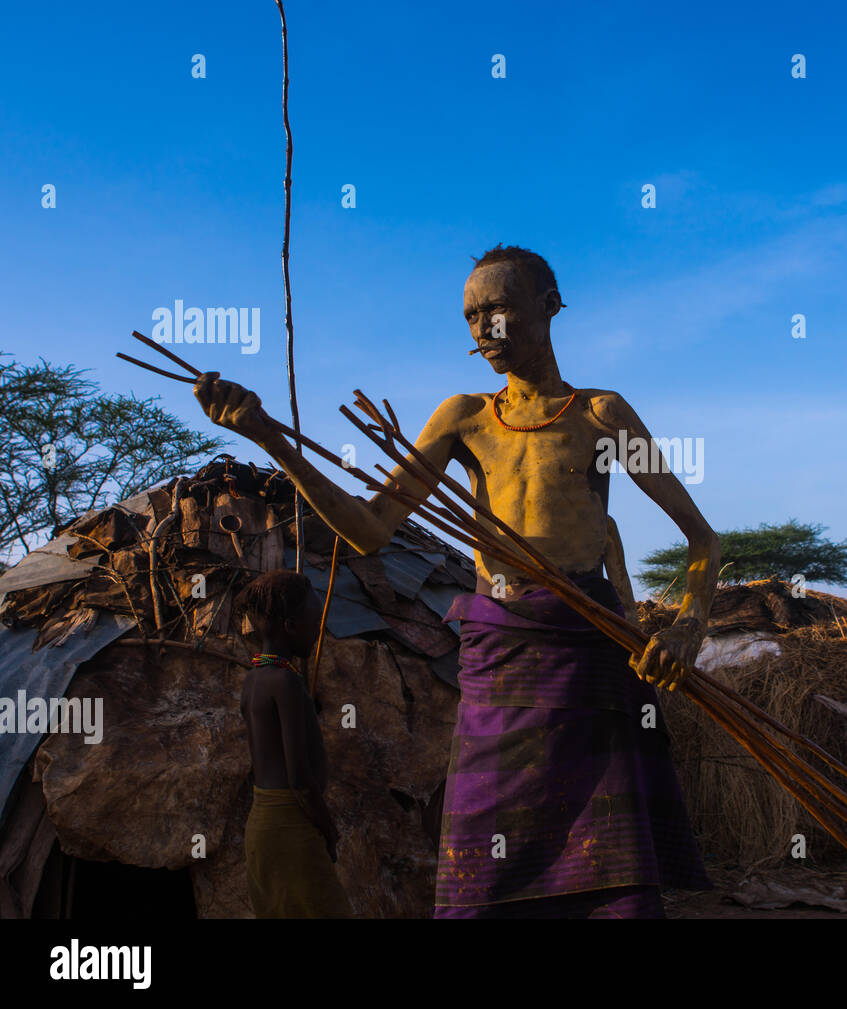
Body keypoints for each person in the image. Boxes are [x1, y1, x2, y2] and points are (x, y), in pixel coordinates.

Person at [196, 245, 716, 917]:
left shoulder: (602, 416)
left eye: (498, 308)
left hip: (590, 665)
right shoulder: (462, 418)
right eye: (472, 315)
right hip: (500, 666)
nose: (483, 328)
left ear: (549, 305)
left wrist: (688, 626)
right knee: (482, 883)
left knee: (609, 880)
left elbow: (700, 537)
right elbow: (369, 526)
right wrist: (269, 435)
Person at [238, 569, 351, 917]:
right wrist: (328, 830)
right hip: (291, 825)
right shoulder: (286, 683)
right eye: (314, 621)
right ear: (289, 626)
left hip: (262, 827)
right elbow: (300, 780)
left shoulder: (254, 680)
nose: (319, 630)